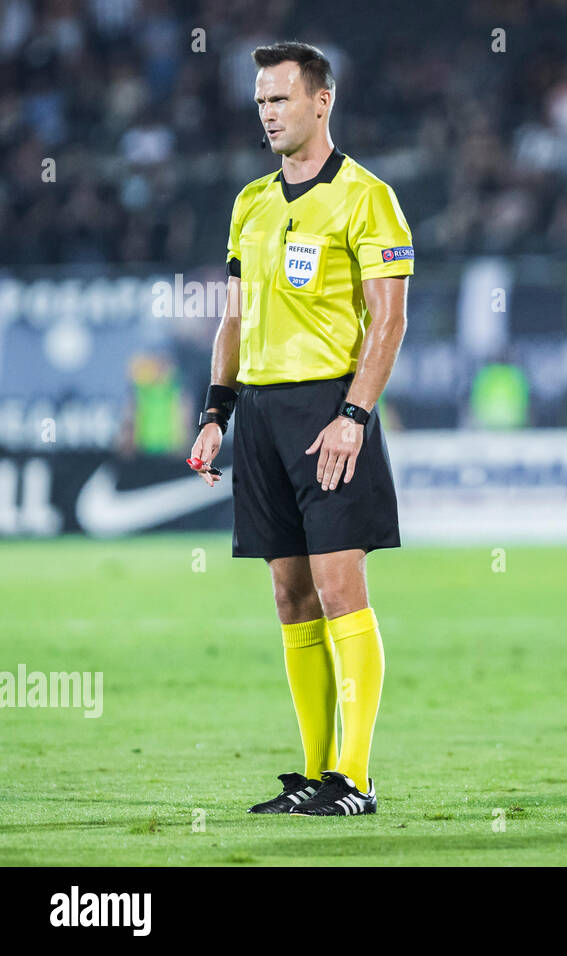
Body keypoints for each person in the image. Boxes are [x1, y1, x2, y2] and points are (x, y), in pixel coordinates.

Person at [189, 41, 414, 816]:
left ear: (322, 101)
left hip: (328, 409)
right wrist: (216, 413)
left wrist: (355, 413)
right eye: (261, 101)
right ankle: (315, 772)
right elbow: (235, 318)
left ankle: (354, 777)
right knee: (290, 595)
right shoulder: (249, 202)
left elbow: (389, 320)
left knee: (339, 585)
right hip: (258, 413)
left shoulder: (366, 197)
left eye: (281, 99)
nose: (269, 113)